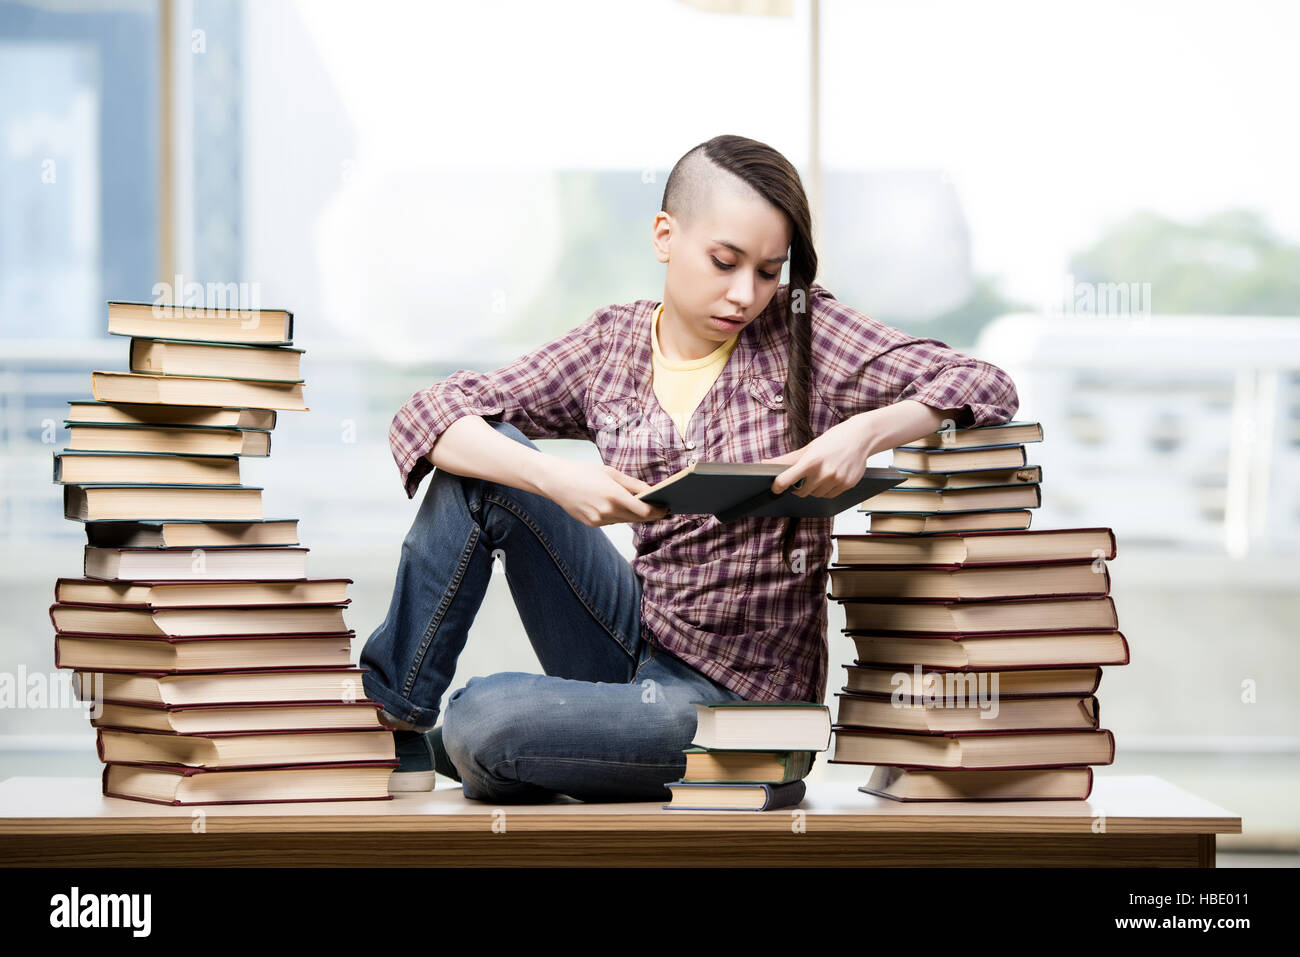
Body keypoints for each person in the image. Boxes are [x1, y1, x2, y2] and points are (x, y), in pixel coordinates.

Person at [358, 133, 1020, 802]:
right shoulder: (610, 346)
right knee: (480, 463)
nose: (745, 295)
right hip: (634, 640)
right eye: (724, 261)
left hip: (739, 708)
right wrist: (558, 478)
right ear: (665, 236)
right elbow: (430, 413)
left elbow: (981, 380)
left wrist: (864, 431)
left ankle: (533, 746)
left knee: (481, 720)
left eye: (768, 270)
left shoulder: (804, 330)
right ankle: (397, 721)